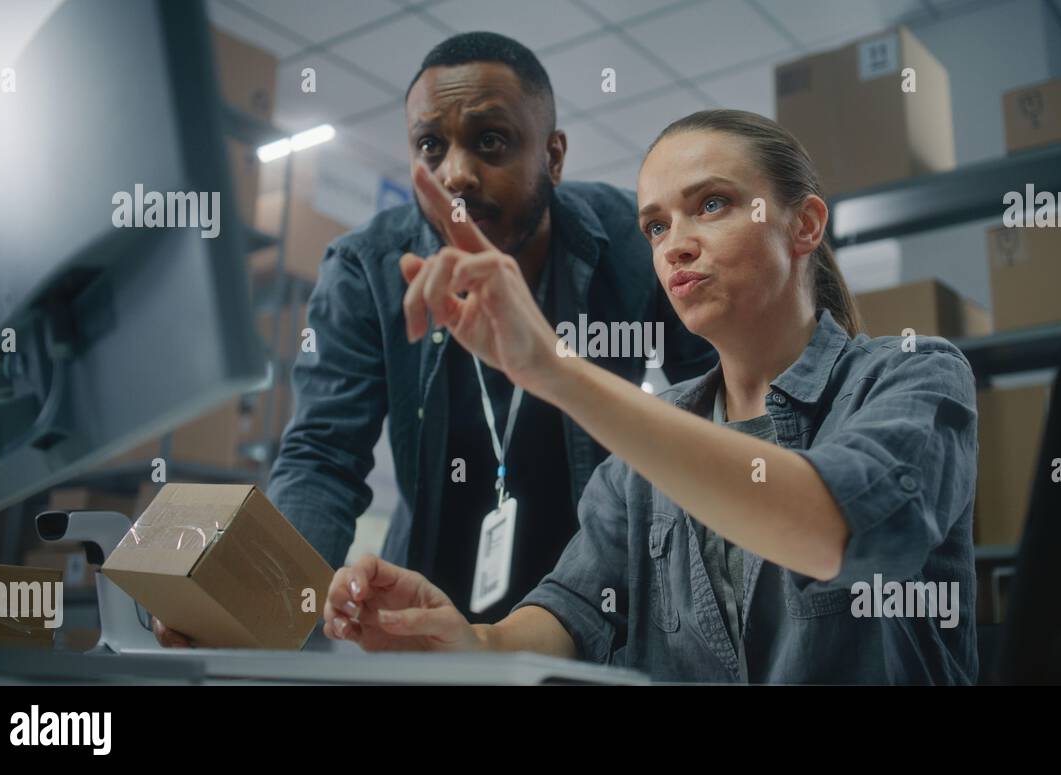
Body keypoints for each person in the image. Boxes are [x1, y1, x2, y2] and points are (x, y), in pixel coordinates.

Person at [321, 109, 980, 684]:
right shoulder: (640, 458)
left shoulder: (912, 377)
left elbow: (828, 529)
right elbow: (564, 620)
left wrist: (556, 367)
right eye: (656, 227)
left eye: (712, 204)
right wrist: (466, 638)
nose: (676, 246)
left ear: (804, 224)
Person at [150, 32, 715, 647]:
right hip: (427, 611)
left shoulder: (632, 244)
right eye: (430, 146)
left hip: (589, 606)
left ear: (553, 157)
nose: (458, 174)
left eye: (490, 141)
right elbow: (322, 459)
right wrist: (263, 604)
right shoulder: (366, 270)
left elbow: (711, 406)